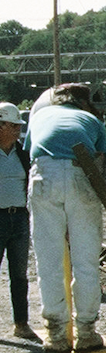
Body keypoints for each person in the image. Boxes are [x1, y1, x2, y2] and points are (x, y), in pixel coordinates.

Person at [25, 84, 106, 353]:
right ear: (83, 104)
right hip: (80, 174)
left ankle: (55, 334)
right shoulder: (91, 120)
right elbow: (100, 158)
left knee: (49, 260)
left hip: (43, 175)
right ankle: (86, 332)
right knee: (86, 261)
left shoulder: (39, 116)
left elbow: (31, 150)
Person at [0, 102, 37, 340]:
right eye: (13, 126)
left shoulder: (22, 153)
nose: (17, 130)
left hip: (19, 219)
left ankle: (21, 324)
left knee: (20, 275)